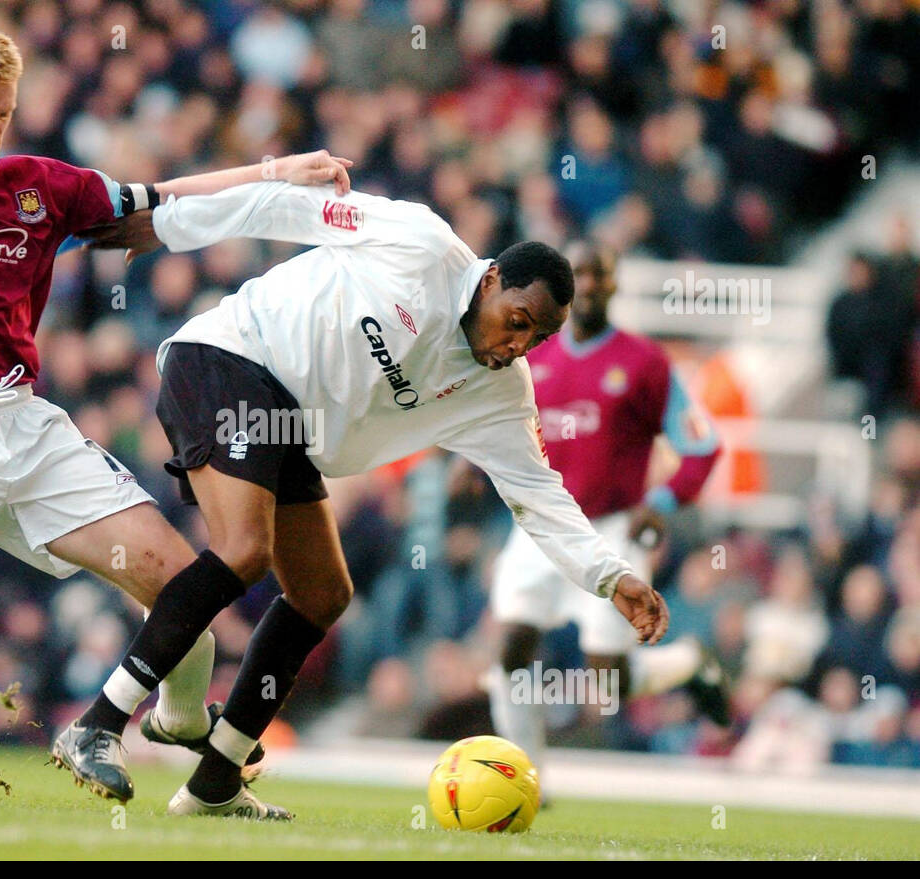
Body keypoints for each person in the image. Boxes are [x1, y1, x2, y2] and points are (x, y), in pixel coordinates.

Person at [0, 16, 354, 802]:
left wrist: (276, 171)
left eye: (4, 114)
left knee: (180, 581)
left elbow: (167, 200)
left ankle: (180, 719)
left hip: (25, 432)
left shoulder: (44, 188)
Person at [55, 181, 669, 819]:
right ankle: (98, 723)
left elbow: (540, 496)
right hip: (231, 355)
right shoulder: (420, 243)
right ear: (488, 281)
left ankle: (214, 784)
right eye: (518, 321)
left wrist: (610, 576)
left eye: (536, 339)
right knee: (244, 551)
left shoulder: (499, 395)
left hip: (290, 429)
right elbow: (284, 203)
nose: (518, 345)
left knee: (323, 593)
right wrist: (172, 226)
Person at [482, 240, 726, 777]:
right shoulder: (535, 354)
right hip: (540, 525)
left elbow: (703, 447)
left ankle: (689, 662)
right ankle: (524, 781)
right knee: (511, 651)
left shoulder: (644, 363)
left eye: (600, 274)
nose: (590, 284)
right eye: (580, 274)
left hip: (613, 527)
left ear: (615, 283)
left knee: (605, 679)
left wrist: (661, 502)